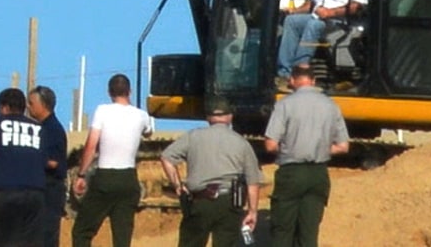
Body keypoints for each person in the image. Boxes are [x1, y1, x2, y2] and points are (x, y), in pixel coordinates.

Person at [263, 64, 350, 246]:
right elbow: (343, 147)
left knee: (282, 230)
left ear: (292, 80)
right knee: (309, 232)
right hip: (318, 174)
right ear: (313, 80)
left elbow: (270, 145)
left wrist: (290, 148)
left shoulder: (285, 104)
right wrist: (321, 149)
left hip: (291, 172)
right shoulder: (331, 105)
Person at [160, 96, 264, 247]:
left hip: (199, 201)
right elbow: (252, 181)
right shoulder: (241, 143)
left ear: (208, 117)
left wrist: (177, 185)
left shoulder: (193, 136)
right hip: (230, 203)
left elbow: (166, 157)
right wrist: (252, 211)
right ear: (230, 116)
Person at [71, 73, 154, 247]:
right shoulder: (141, 115)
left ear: (109, 92)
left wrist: (81, 174)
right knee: (122, 238)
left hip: (105, 177)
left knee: (82, 231)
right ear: (130, 91)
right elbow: (148, 132)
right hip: (128, 179)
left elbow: (91, 145)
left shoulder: (102, 111)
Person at [0, 88, 48, 247]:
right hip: (35, 197)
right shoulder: (39, 129)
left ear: (5, 107)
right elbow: (45, 160)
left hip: (5, 194)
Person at [28, 85, 68, 247]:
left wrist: (32, 159)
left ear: (43, 105)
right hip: (41, 190)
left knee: (46, 238)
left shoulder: (52, 130)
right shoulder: (41, 128)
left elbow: (55, 162)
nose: (28, 107)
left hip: (50, 191)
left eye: (31, 103)